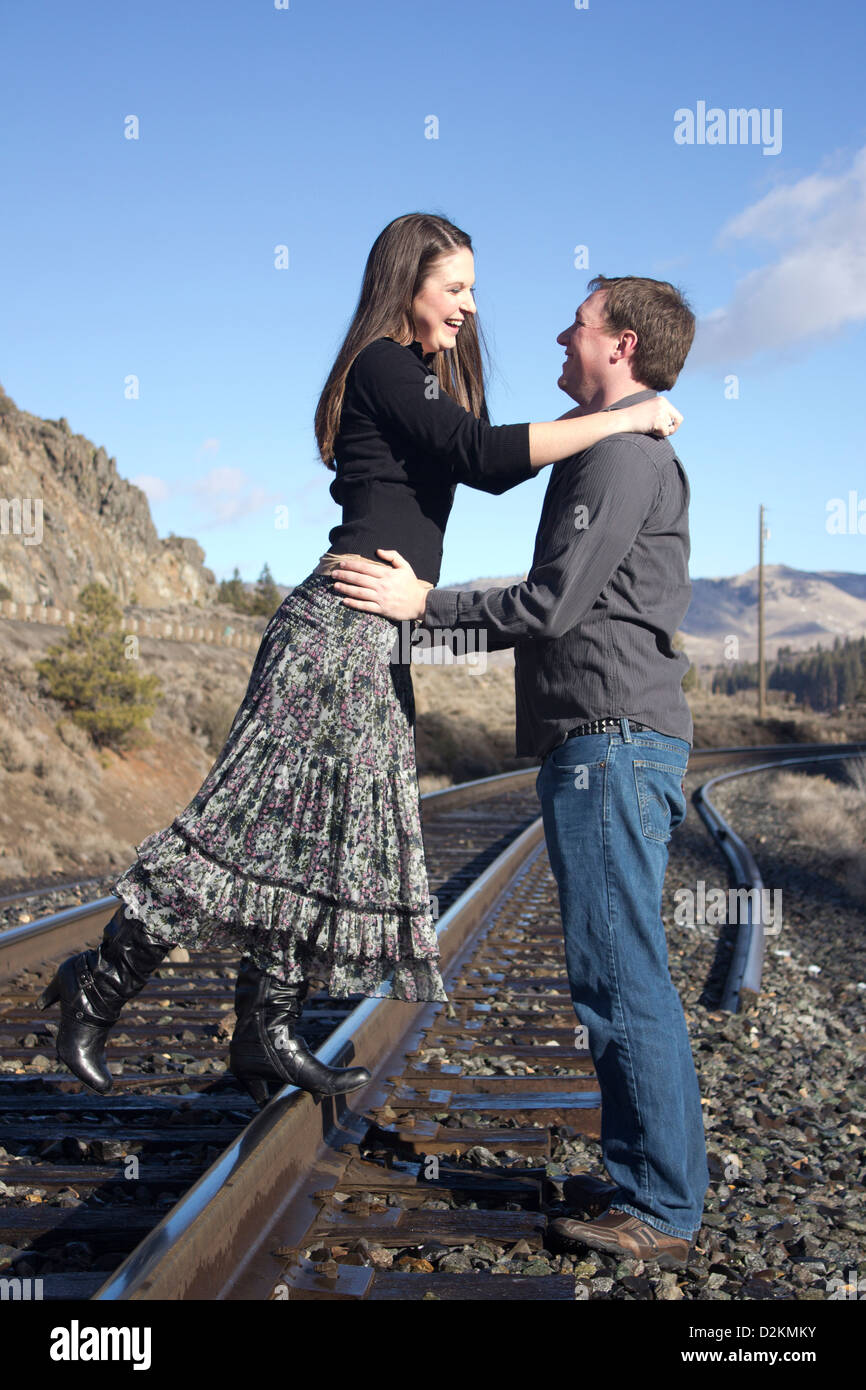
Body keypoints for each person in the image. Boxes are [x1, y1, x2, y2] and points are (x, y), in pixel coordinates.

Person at [36, 220, 682, 1110]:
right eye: (455, 288)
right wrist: (629, 414)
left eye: (471, 289)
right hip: (337, 627)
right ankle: (100, 984)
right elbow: (486, 462)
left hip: (378, 636)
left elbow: (482, 449)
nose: (470, 307)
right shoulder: (382, 361)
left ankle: (265, 1032)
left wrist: (592, 418)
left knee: (324, 833)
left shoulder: (416, 377)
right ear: (406, 284)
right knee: (242, 823)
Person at [330, 272, 707, 1266]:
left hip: (610, 740)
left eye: (576, 323)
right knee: (618, 969)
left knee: (620, 974)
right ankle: (649, 1182)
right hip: (605, 739)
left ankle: (660, 1208)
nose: (556, 332)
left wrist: (423, 608)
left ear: (619, 344)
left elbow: (548, 603)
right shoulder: (614, 447)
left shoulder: (621, 455)